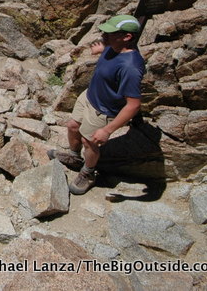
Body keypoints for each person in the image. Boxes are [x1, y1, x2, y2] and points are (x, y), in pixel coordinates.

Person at [48, 14, 146, 195]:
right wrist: (103, 49)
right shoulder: (115, 46)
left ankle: (88, 172)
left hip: (103, 110)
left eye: (110, 34)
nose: (103, 36)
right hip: (89, 96)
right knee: (72, 126)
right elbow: (111, 49)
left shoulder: (131, 68)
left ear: (127, 37)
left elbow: (133, 105)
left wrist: (107, 130)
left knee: (89, 142)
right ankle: (74, 156)